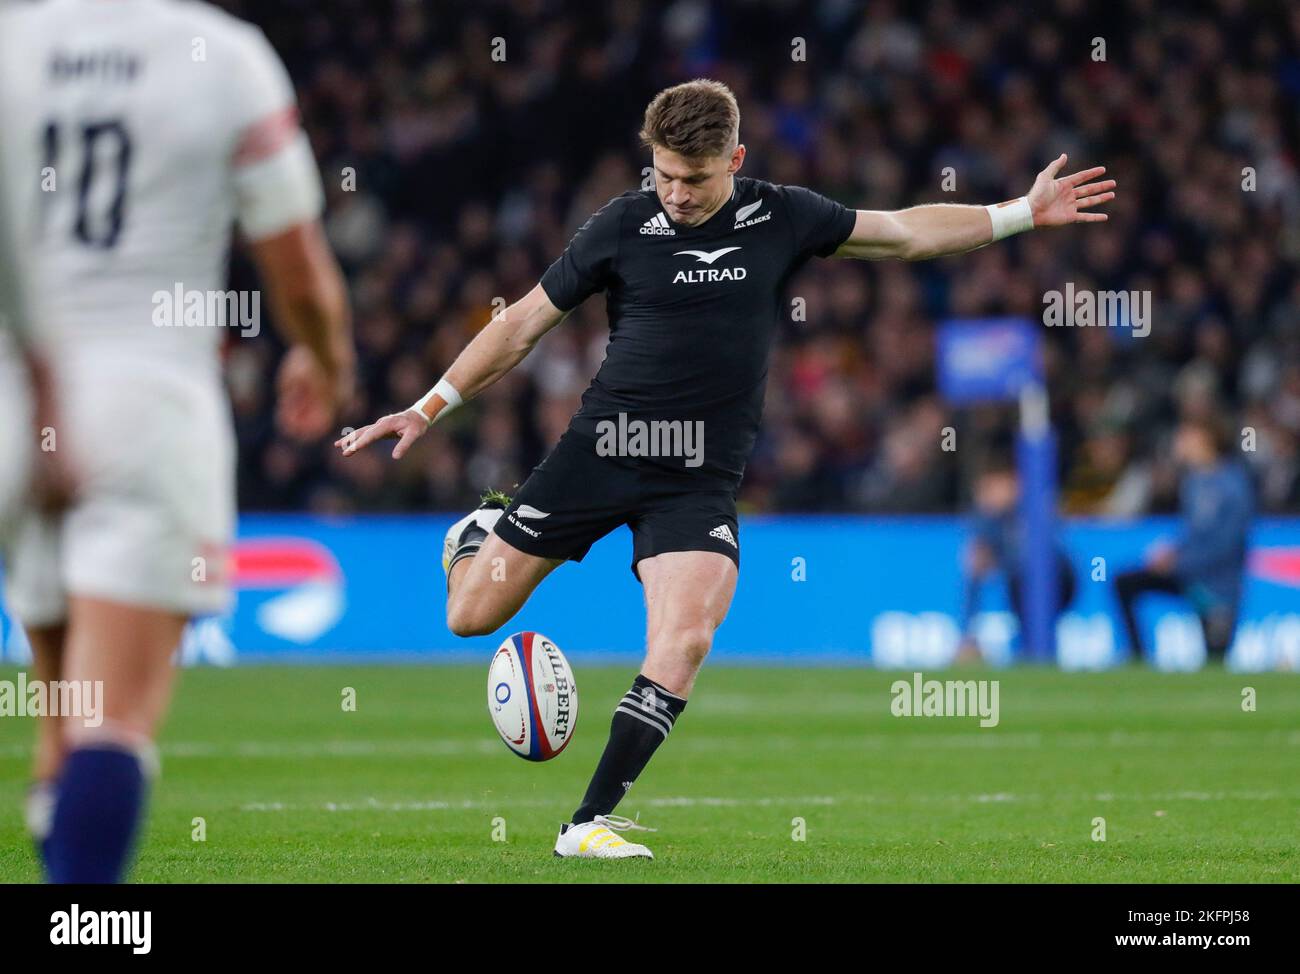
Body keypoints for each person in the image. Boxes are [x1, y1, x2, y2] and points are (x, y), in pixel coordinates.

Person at [339, 78, 1115, 859]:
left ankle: (586, 824)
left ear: (735, 160)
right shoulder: (620, 224)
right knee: (469, 617)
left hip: (697, 479)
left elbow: (908, 233)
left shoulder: (783, 216)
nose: (675, 193)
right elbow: (522, 325)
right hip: (601, 452)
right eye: (663, 174)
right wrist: (428, 405)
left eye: (694, 178)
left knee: (684, 642)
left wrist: (1020, 212)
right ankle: (476, 536)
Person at [0, 0, 355, 883]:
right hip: (144, 402)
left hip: (19, 397)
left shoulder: (12, 42)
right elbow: (296, 259)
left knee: (62, 723)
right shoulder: (223, 57)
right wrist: (326, 356)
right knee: (112, 725)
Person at [1114, 417, 1254, 664]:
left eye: (1186, 436)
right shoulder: (1192, 482)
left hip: (1218, 586)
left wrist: (1179, 562)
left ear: (1206, 439)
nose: (1179, 443)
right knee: (1124, 582)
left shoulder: (1233, 484)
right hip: (1189, 575)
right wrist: (1171, 552)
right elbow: (1192, 533)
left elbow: (1227, 544)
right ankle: (1138, 658)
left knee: (1215, 661)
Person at [959, 455, 1076, 660]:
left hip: (1060, 578)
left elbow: (1048, 544)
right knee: (979, 572)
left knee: (1023, 577)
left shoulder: (1035, 506)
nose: (991, 493)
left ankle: (1038, 646)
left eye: (997, 485)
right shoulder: (987, 519)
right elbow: (978, 558)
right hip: (1018, 581)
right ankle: (969, 639)